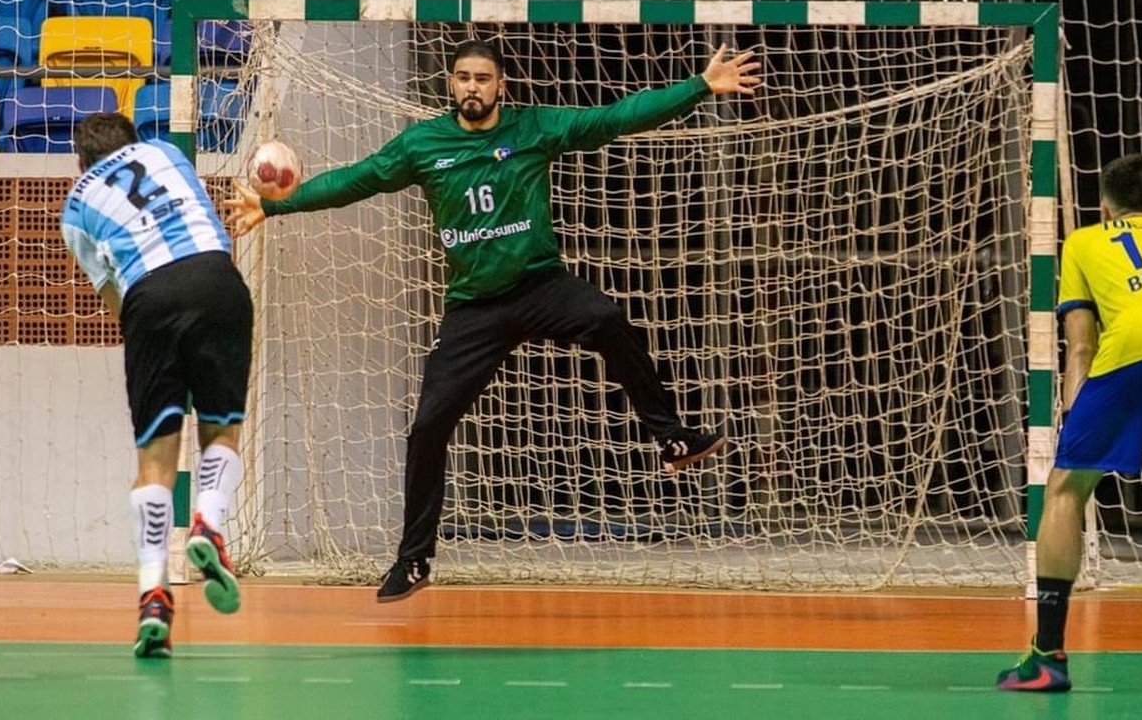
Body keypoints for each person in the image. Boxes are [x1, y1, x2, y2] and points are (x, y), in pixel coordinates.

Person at [227, 39, 762, 602]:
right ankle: (413, 560)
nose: (472, 87)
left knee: (605, 317)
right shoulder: (423, 144)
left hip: (540, 287)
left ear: (500, 86)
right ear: (451, 84)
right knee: (429, 426)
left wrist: (700, 86)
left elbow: (616, 117)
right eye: (463, 77)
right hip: (474, 308)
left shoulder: (533, 128)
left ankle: (671, 437)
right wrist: (275, 205)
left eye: (483, 78)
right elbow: (357, 179)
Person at [997, 153, 1142, 691]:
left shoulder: (1086, 240)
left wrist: (1076, 421)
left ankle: (1047, 657)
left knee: (1065, 490)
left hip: (1132, 356)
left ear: (1106, 210)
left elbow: (1081, 345)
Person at [61, 113, 254, 657]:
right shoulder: (168, 154)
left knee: (154, 461)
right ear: (135, 141)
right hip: (215, 279)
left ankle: (153, 598)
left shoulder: (77, 204)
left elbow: (115, 300)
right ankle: (208, 523)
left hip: (148, 298)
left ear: (81, 163)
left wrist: (153, 339)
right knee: (221, 429)